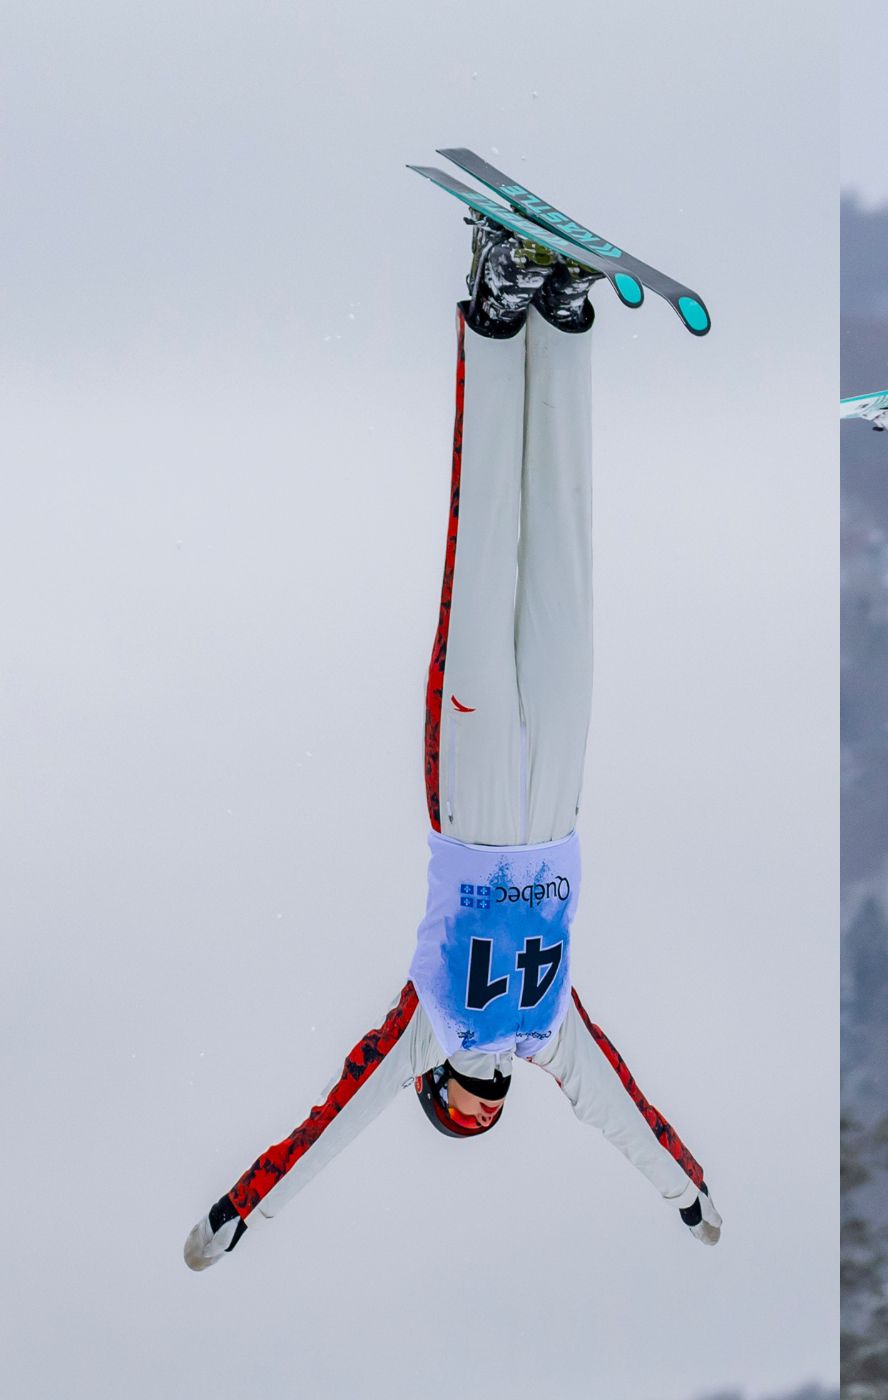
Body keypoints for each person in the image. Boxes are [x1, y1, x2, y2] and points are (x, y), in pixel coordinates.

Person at [183, 216, 720, 1270]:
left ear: (437, 1082)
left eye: (472, 1093)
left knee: (488, 549)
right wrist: (687, 1192)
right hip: (557, 787)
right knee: (561, 547)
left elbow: (332, 1124)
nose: (491, 1081)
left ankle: (494, 309)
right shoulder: (547, 1031)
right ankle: (560, 329)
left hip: (474, 800)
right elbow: (626, 1115)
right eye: (494, 1096)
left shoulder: (429, 1026)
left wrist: (240, 1210)